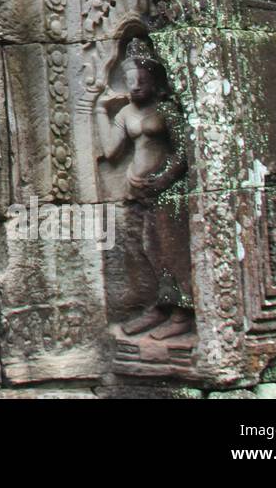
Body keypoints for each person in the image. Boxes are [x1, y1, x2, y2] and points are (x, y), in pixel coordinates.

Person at [92, 37, 193, 339]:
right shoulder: (125, 114)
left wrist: (164, 178)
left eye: (142, 80)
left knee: (171, 248)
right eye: (130, 80)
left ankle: (182, 311)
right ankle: (160, 305)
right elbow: (111, 152)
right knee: (147, 250)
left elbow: (184, 151)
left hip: (166, 191)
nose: (135, 86)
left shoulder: (167, 111)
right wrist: (100, 110)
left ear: (155, 81)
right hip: (136, 190)